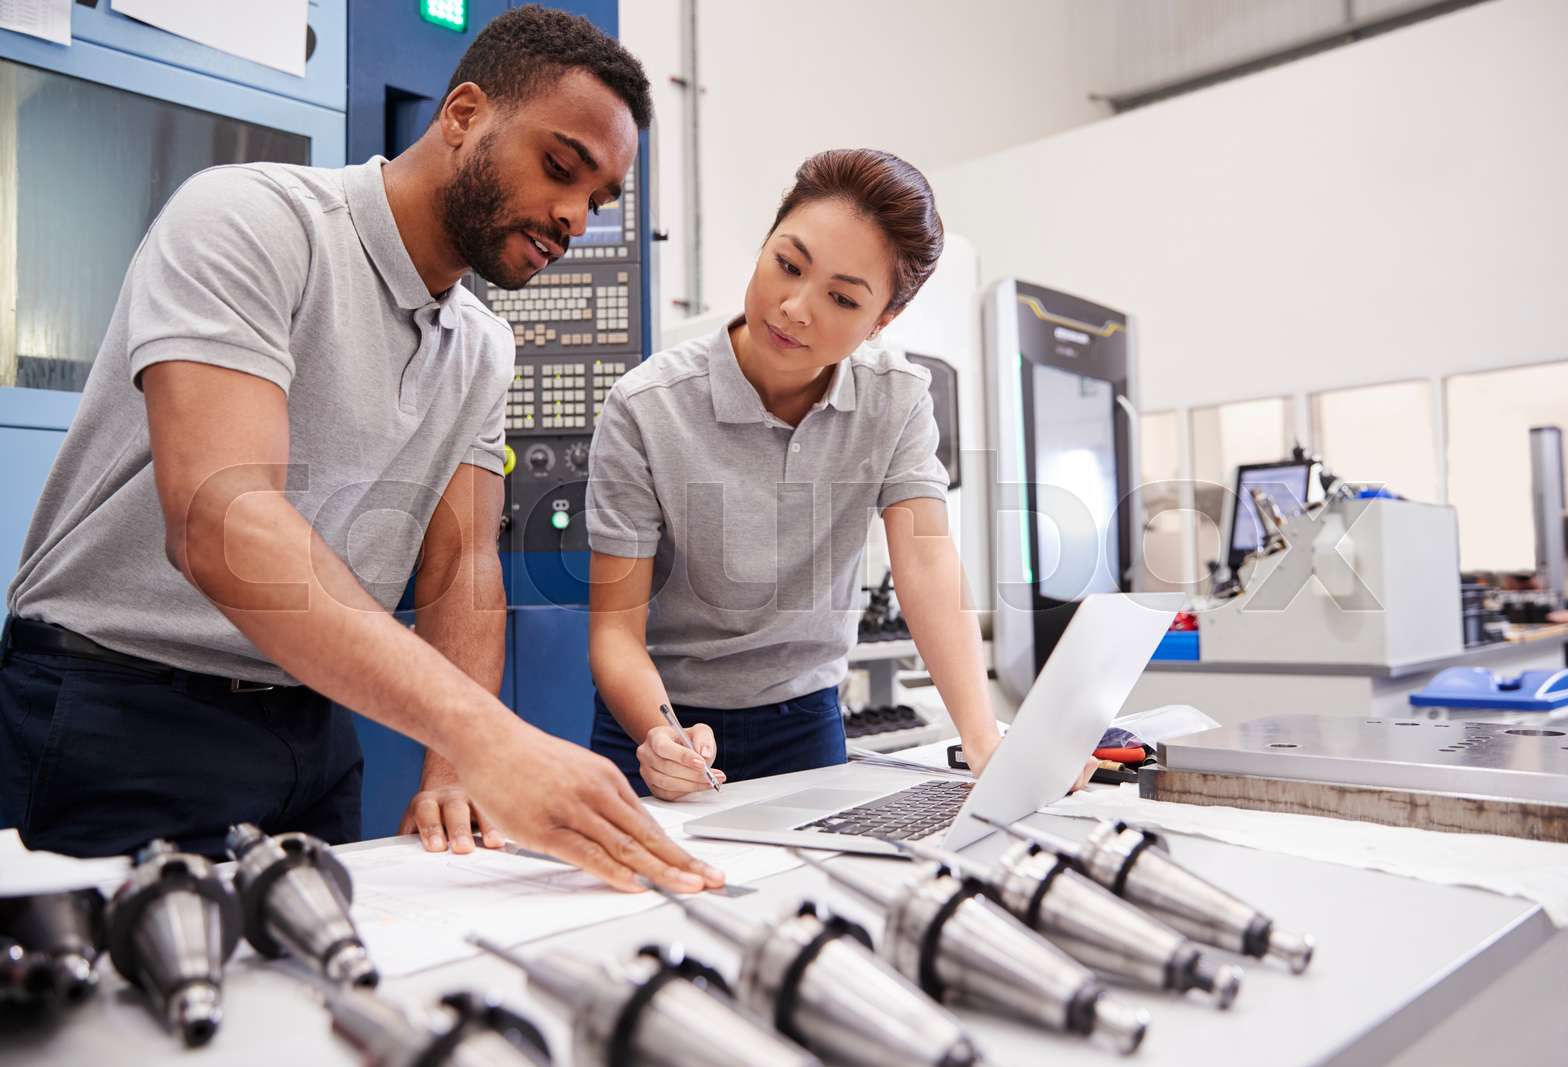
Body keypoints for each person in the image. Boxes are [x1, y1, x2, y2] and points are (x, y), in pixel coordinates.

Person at [0, 6, 720, 894]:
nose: (574, 216)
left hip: (310, 732)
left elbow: (463, 565)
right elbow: (222, 521)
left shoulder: (483, 348)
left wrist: (455, 763)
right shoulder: (252, 221)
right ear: (462, 115)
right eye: (560, 168)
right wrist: (489, 735)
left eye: (597, 200)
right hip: (116, 713)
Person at [585, 148, 1014, 800]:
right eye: (788, 265)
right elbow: (615, 632)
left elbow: (925, 565)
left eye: (842, 297)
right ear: (764, 244)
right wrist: (662, 733)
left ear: (883, 321)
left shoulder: (895, 399)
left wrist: (982, 738)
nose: (794, 307)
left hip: (806, 721)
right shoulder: (647, 406)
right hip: (659, 719)